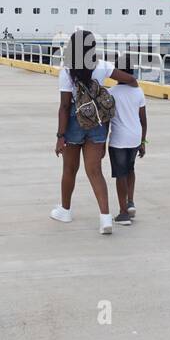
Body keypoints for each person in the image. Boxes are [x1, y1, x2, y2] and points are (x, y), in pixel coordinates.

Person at [52, 30, 137, 235]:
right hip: (97, 123)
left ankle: (65, 211)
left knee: (70, 170)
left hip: (74, 122)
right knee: (95, 172)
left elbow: (64, 107)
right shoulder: (102, 66)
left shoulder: (67, 71)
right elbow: (130, 80)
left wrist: (60, 136)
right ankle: (105, 218)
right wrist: (130, 88)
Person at [106, 54, 147, 226]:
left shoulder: (111, 93)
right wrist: (143, 142)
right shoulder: (138, 91)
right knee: (130, 169)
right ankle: (130, 201)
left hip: (119, 140)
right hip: (135, 137)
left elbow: (106, 121)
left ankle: (123, 213)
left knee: (120, 175)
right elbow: (143, 120)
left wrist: (101, 144)